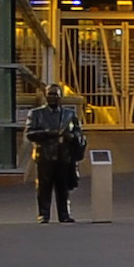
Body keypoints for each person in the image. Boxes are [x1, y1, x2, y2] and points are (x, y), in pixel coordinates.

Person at [27, 83, 85, 224]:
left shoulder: (69, 114)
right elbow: (30, 133)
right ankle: (44, 214)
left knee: (63, 187)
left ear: (61, 97)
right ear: (45, 96)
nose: (53, 97)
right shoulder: (36, 114)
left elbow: (79, 132)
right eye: (50, 94)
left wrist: (72, 136)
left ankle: (64, 214)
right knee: (43, 187)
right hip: (45, 156)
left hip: (64, 156)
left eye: (56, 94)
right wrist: (49, 133)